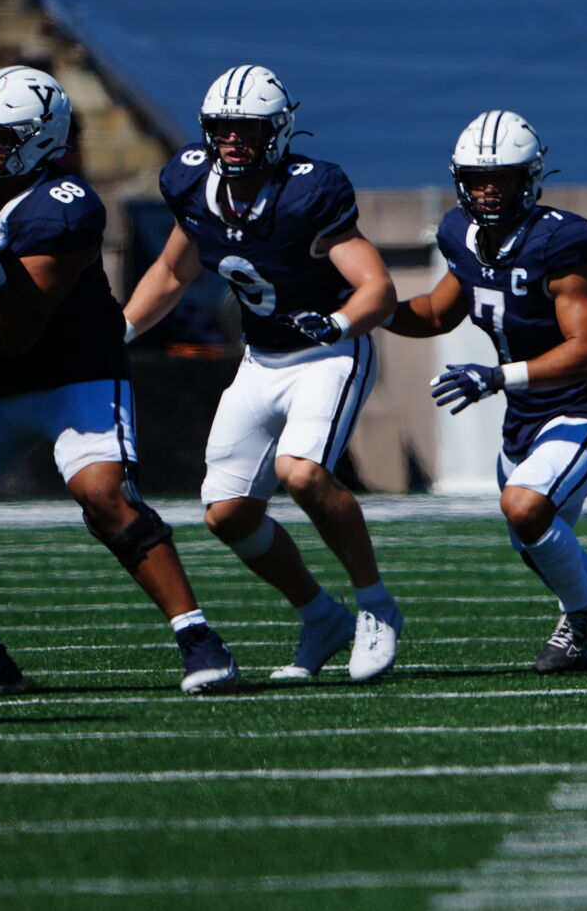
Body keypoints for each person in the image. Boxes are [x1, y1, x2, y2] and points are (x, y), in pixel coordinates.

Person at [0, 65, 239, 695]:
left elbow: (15, 330)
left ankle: (199, 638)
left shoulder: (64, 208)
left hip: (76, 375)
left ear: (40, 140)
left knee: (105, 498)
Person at [123, 65, 403, 683]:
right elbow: (173, 272)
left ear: (277, 132)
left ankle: (376, 606)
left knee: (300, 473)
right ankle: (319, 613)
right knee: (227, 513)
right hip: (260, 358)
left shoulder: (310, 192)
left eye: (246, 130)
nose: (232, 141)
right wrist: (122, 331)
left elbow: (376, 288)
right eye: (222, 128)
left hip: (326, 355)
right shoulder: (192, 182)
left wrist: (336, 324)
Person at [387, 111, 587, 672]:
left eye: (502, 177)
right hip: (525, 419)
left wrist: (496, 376)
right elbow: (436, 313)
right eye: (479, 178)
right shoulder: (459, 233)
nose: (489, 189)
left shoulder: (559, 238)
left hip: (584, 409)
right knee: (532, 538)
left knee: (524, 506)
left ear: (530, 177)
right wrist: (363, 307)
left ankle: (579, 620)